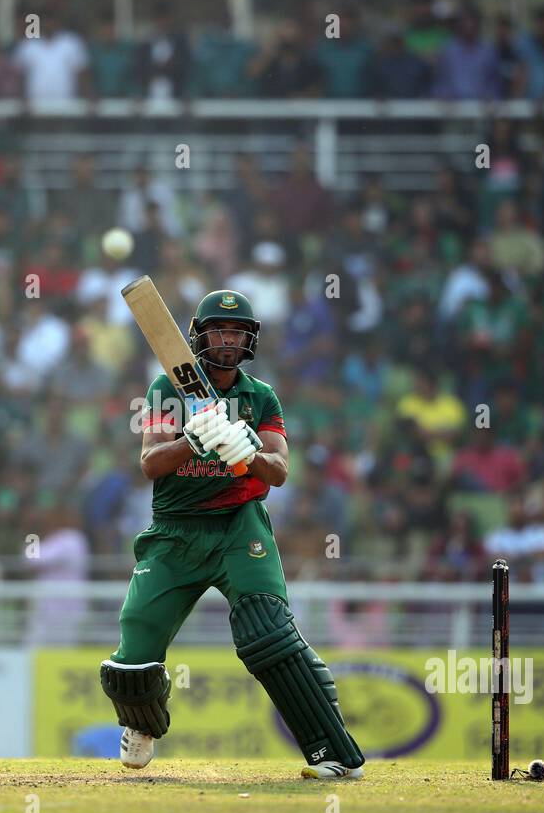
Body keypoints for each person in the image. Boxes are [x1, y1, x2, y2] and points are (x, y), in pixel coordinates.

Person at [103, 289, 365, 780]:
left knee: (268, 633)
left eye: (238, 332)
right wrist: (195, 438)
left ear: (250, 340)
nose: (228, 339)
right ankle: (141, 724)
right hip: (175, 533)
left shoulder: (261, 396)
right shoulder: (167, 389)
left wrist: (247, 451)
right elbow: (150, 462)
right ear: (200, 337)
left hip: (239, 526)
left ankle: (334, 754)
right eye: (220, 330)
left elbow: (279, 470)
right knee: (131, 662)